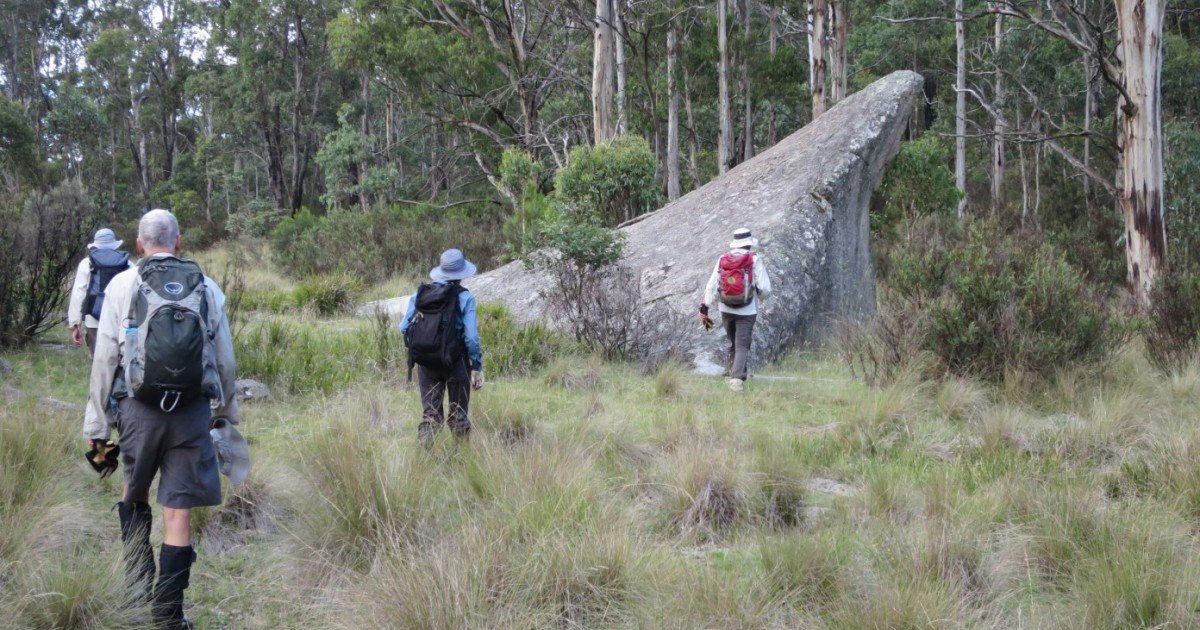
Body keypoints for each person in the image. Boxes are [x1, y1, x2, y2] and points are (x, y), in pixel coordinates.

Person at [85, 209, 240, 629]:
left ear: (138, 245)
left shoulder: (120, 285)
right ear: (178, 241)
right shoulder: (206, 287)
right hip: (190, 413)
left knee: (133, 495)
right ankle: (168, 615)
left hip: (137, 411)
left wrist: (97, 427)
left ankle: (137, 587)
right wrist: (225, 414)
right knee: (178, 512)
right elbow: (224, 361)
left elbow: (105, 360)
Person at [399, 248, 484, 447]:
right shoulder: (466, 298)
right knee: (458, 416)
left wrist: (427, 345)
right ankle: (463, 463)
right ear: (461, 274)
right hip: (456, 363)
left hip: (426, 364)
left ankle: (422, 462)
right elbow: (471, 338)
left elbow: (403, 327)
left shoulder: (420, 295)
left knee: (431, 416)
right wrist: (476, 367)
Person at [701, 227, 772, 392]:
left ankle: (732, 372)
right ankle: (736, 380)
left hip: (725, 308)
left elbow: (712, 285)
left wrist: (705, 306)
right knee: (742, 345)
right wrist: (760, 297)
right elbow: (765, 288)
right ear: (749, 244)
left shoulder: (722, 259)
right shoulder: (754, 260)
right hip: (747, 310)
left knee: (731, 342)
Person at [68, 228, 133, 355]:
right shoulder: (128, 263)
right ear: (114, 244)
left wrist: (75, 324)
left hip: (94, 320)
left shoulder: (86, 263)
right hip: (121, 320)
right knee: (122, 359)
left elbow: (78, 294)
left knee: (98, 359)